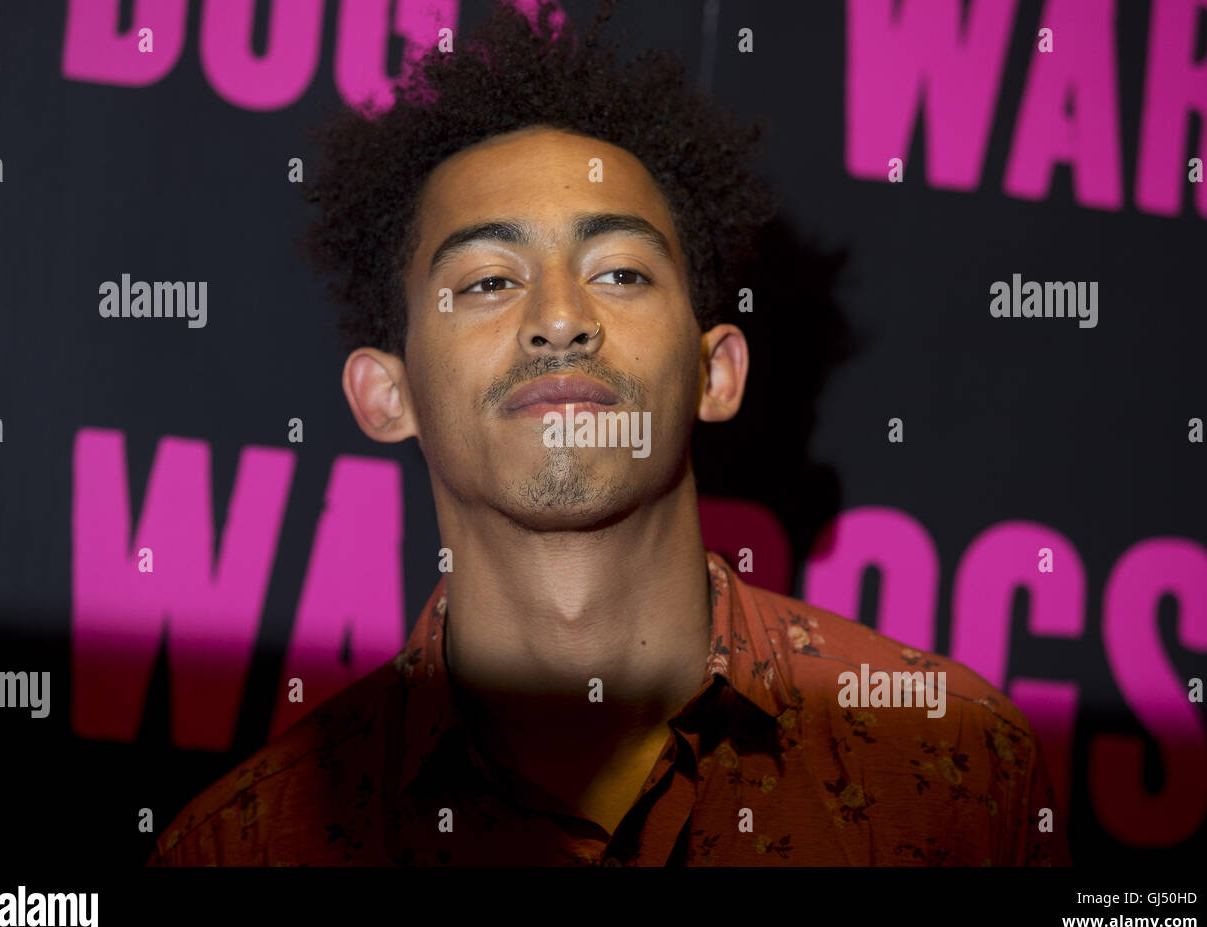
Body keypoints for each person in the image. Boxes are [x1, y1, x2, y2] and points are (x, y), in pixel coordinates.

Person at [148, 0, 1068, 867]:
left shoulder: (952, 766)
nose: (559, 318)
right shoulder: (251, 846)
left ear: (717, 373)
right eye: (487, 281)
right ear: (388, 394)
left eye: (620, 272)